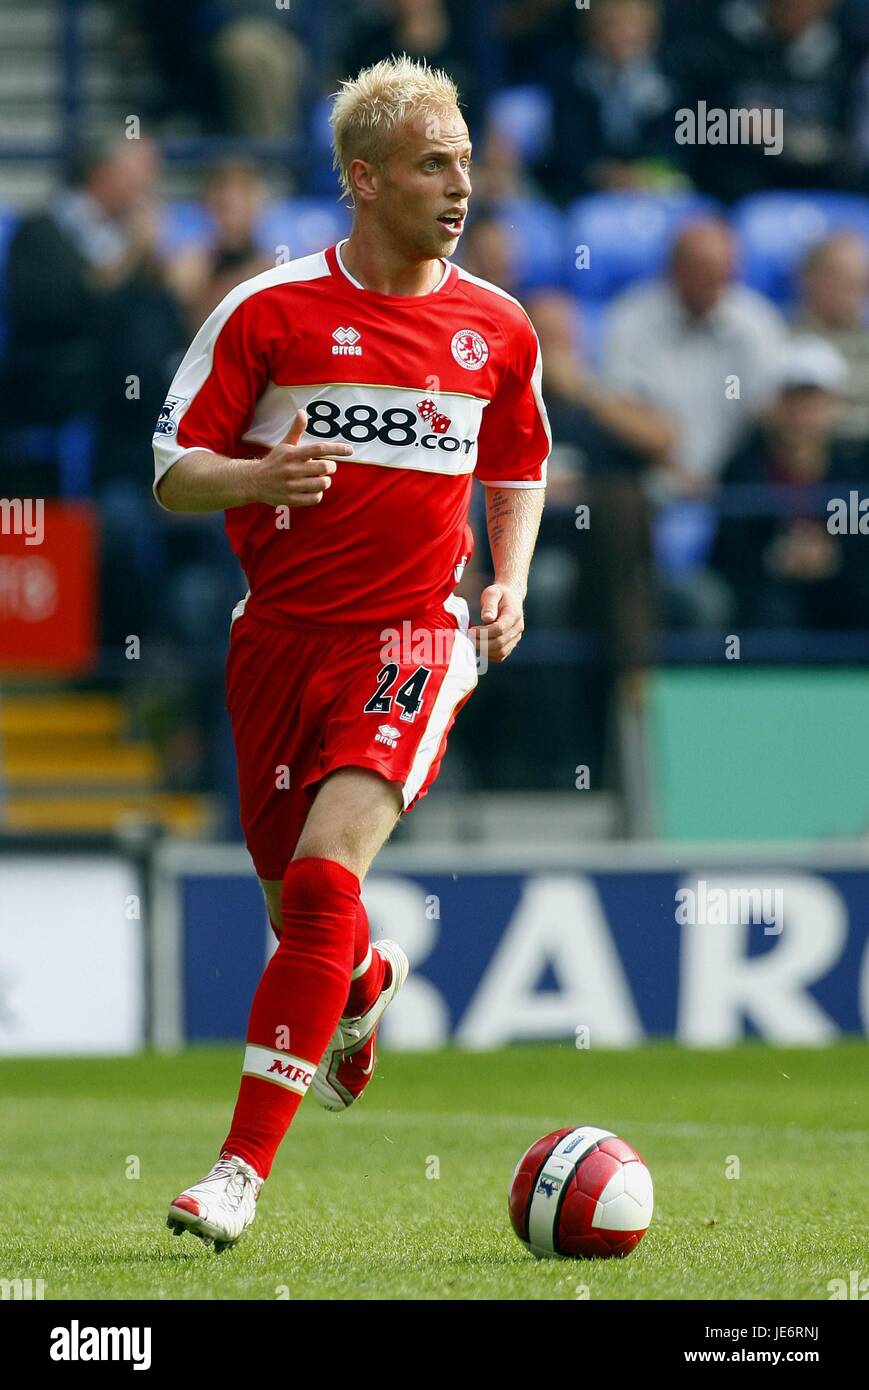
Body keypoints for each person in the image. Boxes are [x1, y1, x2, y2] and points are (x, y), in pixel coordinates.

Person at [154, 55, 550, 1248]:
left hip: (415, 637)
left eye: (467, 162)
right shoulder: (267, 311)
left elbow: (516, 459)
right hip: (277, 643)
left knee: (326, 878)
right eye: (434, 163)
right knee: (303, 915)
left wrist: (510, 579)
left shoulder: (495, 326)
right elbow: (173, 471)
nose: (459, 184)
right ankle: (362, 988)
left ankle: (235, 1171)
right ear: (362, 178)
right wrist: (260, 474)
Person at [711, 335, 869, 630]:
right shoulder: (743, 466)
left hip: (844, 594)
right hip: (767, 595)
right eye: (794, 402)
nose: (803, 416)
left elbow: (862, 545)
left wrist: (834, 555)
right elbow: (727, 552)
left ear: (834, 407)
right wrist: (776, 558)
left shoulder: (856, 467)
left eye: (814, 403)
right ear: (776, 406)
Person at [795, 233, 869, 444]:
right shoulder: (781, 344)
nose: (852, 289)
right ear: (809, 279)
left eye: (859, 279)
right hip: (815, 465)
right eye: (839, 276)